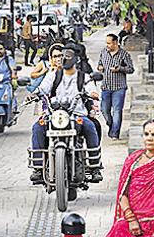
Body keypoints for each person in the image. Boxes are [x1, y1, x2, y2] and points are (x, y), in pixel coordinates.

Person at [29, 46, 102, 183]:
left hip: (77, 115)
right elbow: (43, 88)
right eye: (63, 56)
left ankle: (94, 166)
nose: (64, 59)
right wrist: (34, 94)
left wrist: (93, 94)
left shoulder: (83, 77)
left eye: (68, 56)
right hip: (55, 115)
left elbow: (91, 88)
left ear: (76, 59)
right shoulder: (53, 76)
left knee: (91, 127)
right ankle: (38, 168)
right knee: (37, 127)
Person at [97, 33, 135, 139]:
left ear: (115, 43)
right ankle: (111, 124)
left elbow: (131, 69)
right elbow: (100, 63)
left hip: (119, 88)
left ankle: (115, 133)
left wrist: (120, 69)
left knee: (117, 110)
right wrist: (100, 67)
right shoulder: (104, 52)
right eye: (106, 43)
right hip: (106, 86)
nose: (107, 45)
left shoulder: (124, 54)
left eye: (109, 43)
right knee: (104, 110)